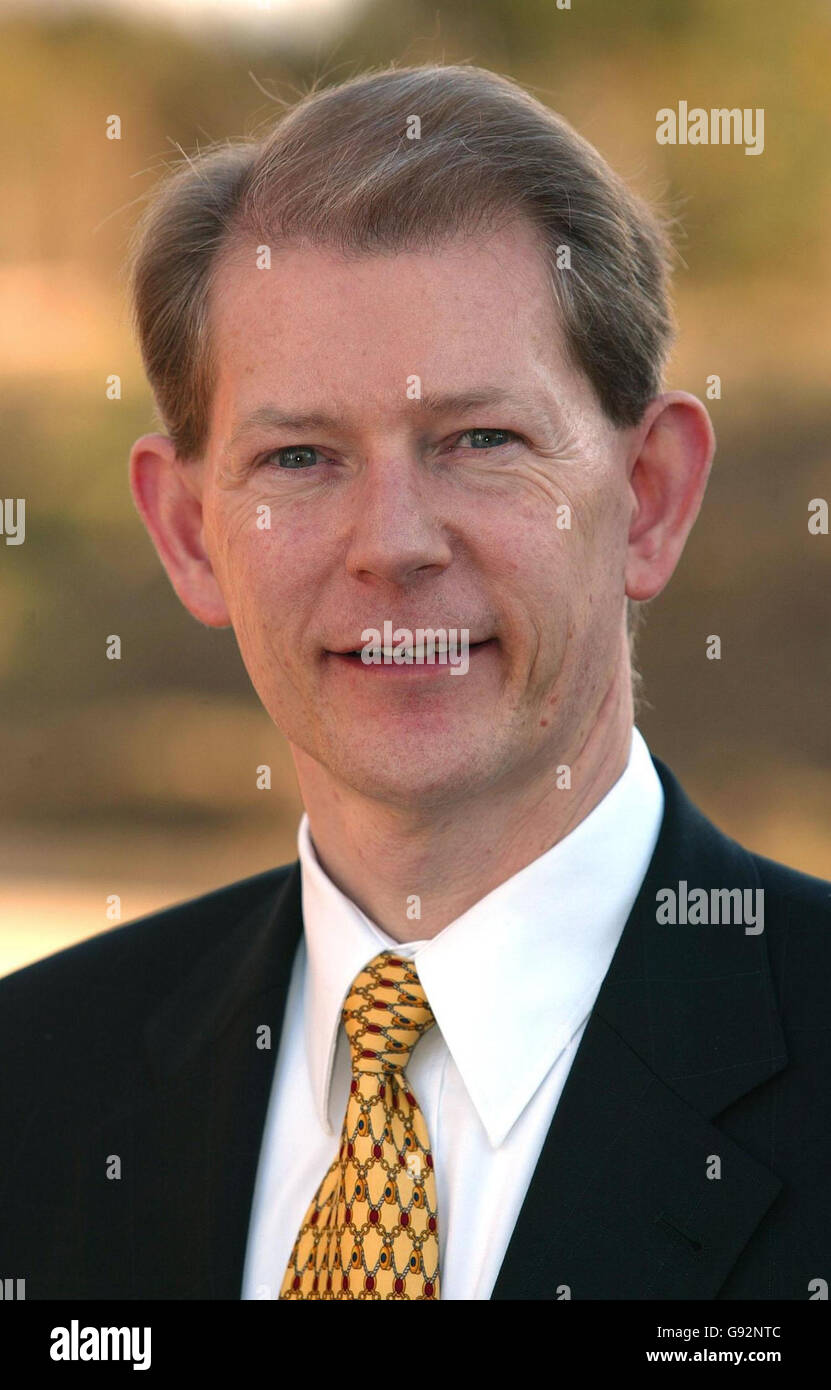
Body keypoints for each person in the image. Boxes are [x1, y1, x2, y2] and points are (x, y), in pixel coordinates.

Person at [2, 62, 828, 1302]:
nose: (393, 541)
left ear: (650, 497)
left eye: (480, 440)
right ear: (186, 533)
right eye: (299, 456)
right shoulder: (33, 1083)